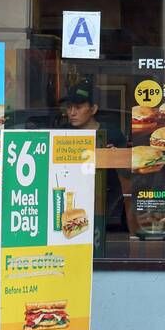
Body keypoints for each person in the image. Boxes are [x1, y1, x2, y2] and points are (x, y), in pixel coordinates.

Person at [59, 82, 127, 252]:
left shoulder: (112, 133)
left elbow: (126, 171)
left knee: (95, 236)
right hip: (70, 196)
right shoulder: (61, 133)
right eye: (69, 107)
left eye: (79, 107)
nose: (72, 113)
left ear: (93, 109)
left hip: (105, 196)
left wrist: (115, 157)